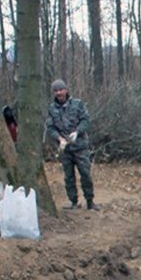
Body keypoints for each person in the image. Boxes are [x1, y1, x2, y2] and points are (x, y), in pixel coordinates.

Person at [45, 79, 97, 210]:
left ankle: (90, 201)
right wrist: (59, 139)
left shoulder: (78, 104)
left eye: (61, 90)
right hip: (65, 149)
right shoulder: (52, 109)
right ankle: (73, 202)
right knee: (68, 177)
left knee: (85, 174)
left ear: (66, 90)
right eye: (56, 91)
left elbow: (86, 120)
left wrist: (77, 132)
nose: (59, 93)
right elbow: (50, 127)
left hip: (80, 147)